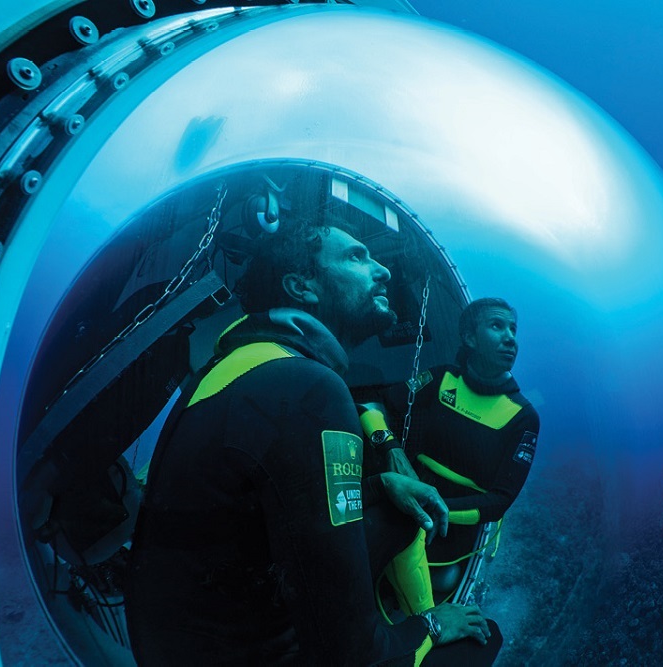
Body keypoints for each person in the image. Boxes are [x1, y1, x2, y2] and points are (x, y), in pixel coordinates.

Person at [125, 211, 498, 665]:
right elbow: (353, 658)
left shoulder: (240, 364)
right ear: (302, 287)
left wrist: (380, 485)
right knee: (483, 641)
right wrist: (431, 626)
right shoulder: (309, 388)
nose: (382, 270)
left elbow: (258, 503)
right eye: (358, 257)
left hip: (169, 644)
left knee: (401, 514)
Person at [360, 298, 540, 606]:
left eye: (513, 329)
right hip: (398, 498)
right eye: (497, 326)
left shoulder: (523, 417)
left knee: (440, 579)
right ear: (469, 338)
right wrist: (389, 446)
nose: (510, 337)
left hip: (447, 529)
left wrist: (432, 508)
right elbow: (372, 405)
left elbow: (500, 501)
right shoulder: (439, 378)